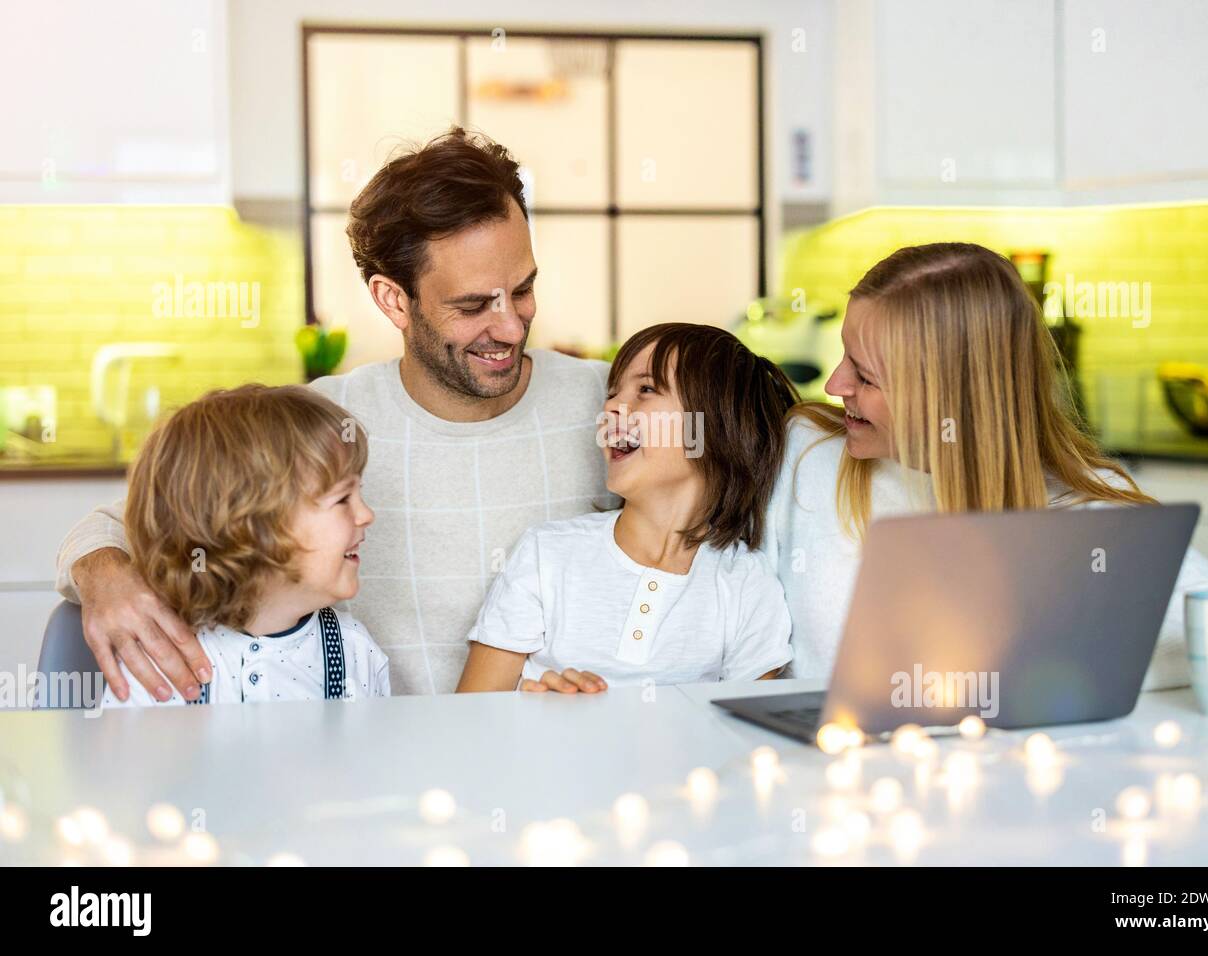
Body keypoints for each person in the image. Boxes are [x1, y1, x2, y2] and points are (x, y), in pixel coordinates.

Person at [56, 127, 616, 700]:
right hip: (371, 764)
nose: (511, 327)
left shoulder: (615, 406)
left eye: (521, 290)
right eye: (472, 305)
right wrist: (105, 576)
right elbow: (120, 523)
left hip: (553, 754)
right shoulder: (318, 428)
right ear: (392, 299)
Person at [762, 242, 1208, 688]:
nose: (833, 383)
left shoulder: (1085, 513)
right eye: (845, 356)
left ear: (950, 395)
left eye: (864, 376)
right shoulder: (804, 455)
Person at [456, 324, 798, 693]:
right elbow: (471, 716)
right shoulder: (548, 553)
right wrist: (534, 712)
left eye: (646, 389)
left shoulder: (746, 583)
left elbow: (748, 735)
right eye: (613, 393)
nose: (611, 407)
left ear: (714, 428)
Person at [102, 384, 387, 706]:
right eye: (343, 499)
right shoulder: (158, 665)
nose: (367, 514)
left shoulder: (356, 652)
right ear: (253, 528)